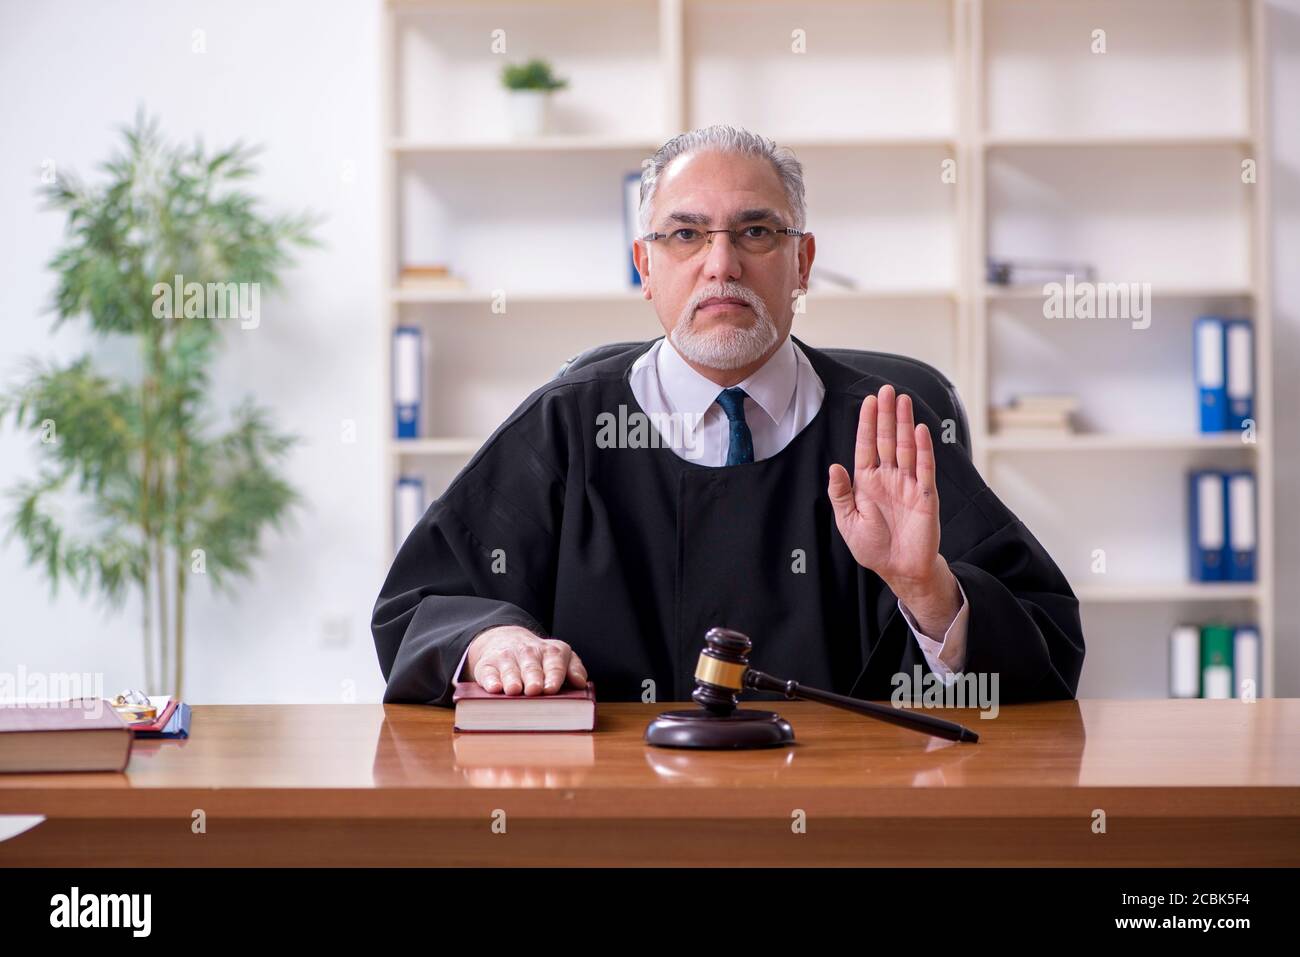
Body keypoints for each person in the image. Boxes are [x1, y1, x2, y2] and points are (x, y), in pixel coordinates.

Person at [371, 124, 1084, 708]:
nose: (721, 264)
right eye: (685, 235)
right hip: (612, 817)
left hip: (846, 817)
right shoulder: (564, 428)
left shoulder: (887, 427)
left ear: (801, 263)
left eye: (755, 233)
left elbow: (1047, 650)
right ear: (644, 268)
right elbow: (425, 601)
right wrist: (496, 641)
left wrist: (927, 590)